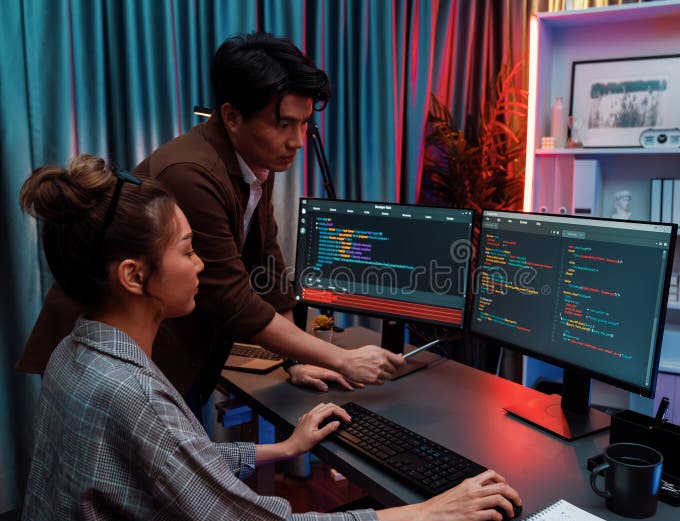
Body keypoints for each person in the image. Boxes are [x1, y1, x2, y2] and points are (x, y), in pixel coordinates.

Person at [19, 155, 522, 521]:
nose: (201, 266)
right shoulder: (134, 395)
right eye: (188, 250)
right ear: (135, 276)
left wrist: (281, 448)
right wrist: (426, 514)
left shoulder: (76, 353)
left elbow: (174, 464)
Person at [16, 31, 403, 411]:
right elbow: (232, 299)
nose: (298, 141)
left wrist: (297, 359)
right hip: (110, 360)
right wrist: (340, 358)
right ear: (232, 116)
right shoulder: (190, 174)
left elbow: (266, 260)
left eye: (304, 125)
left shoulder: (256, 162)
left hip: (158, 353)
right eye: (284, 124)